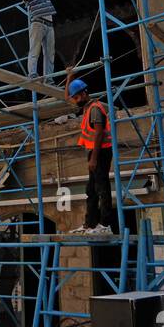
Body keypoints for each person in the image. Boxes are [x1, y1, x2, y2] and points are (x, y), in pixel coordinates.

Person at [68, 78, 114, 236]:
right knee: (91, 190)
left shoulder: (94, 109)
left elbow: (99, 133)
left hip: (100, 152)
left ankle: (105, 224)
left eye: (76, 98)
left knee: (102, 188)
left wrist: (94, 158)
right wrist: (69, 76)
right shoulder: (87, 108)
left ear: (83, 94)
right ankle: (90, 224)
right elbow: (67, 96)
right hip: (94, 152)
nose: (74, 101)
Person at [21, 0, 56, 82]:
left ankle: (49, 79)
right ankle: (32, 74)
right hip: (37, 23)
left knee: (49, 54)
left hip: (49, 24)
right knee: (35, 50)